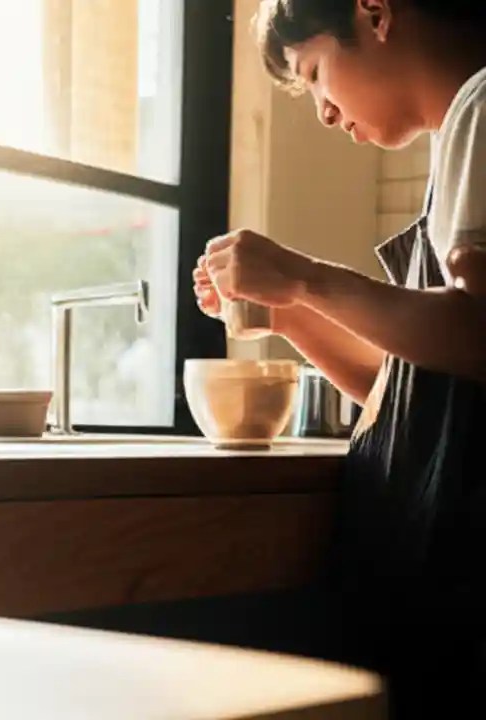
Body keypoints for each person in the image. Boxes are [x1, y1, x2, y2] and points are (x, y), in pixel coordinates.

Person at [193, 0, 486, 715]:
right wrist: (294, 313)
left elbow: (479, 334)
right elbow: (418, 390)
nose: (323, 111)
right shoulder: (458, 135)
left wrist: (306, 277)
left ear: (375, 13)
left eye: (317, 72)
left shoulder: (482, 102)